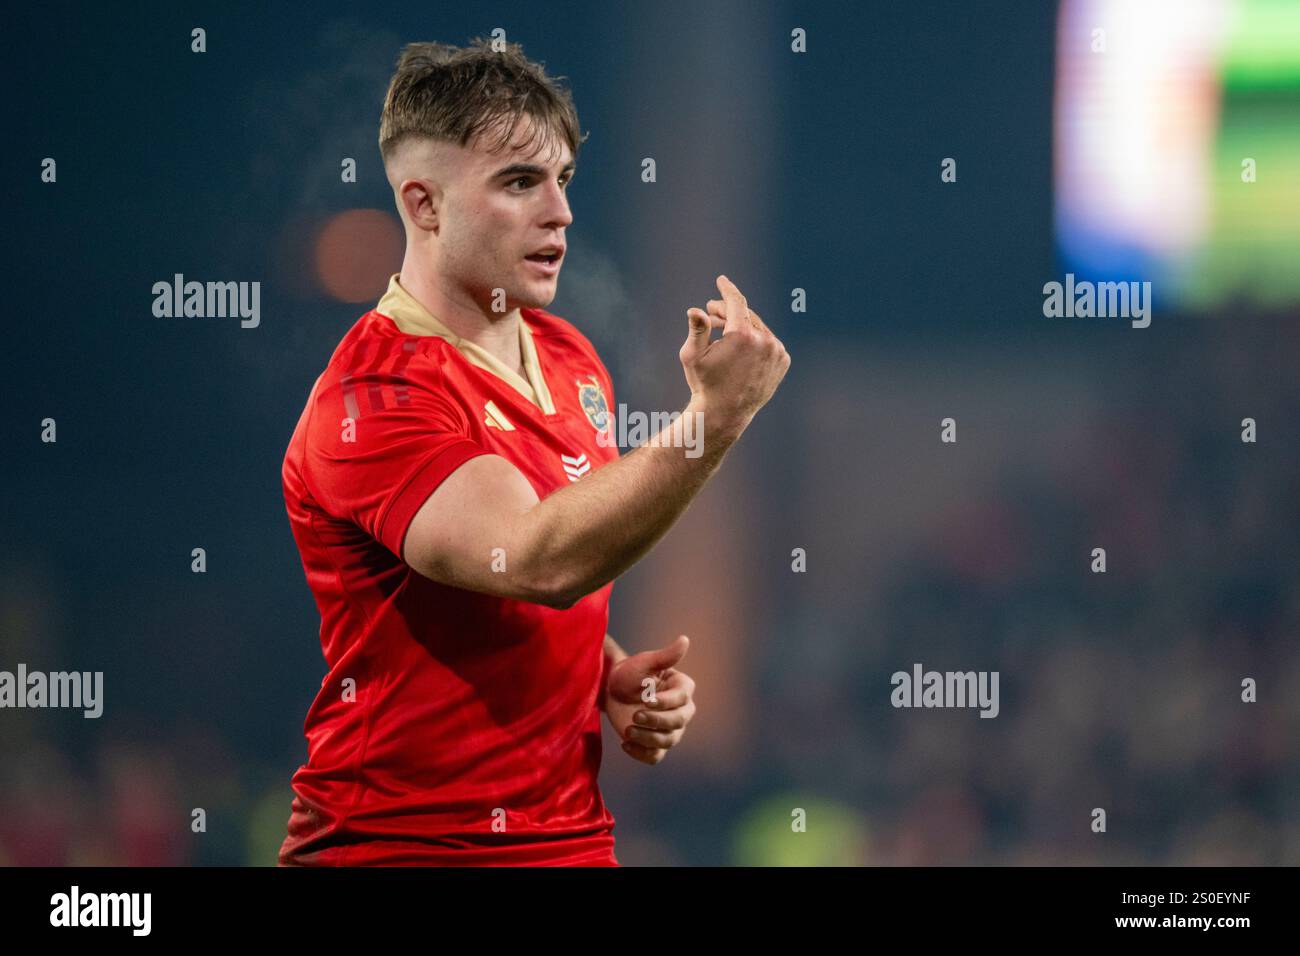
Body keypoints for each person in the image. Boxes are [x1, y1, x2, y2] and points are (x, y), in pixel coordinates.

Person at [278, 37, 789, 865]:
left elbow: (518, 593)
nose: (561, 212)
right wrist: (715, 420)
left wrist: (602, 674)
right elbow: (532, 559)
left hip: (571, 843)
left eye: (564, 180)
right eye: (520, 183)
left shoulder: (568, 357)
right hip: (403, 849)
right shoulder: (375, 399)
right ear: (425, 205)